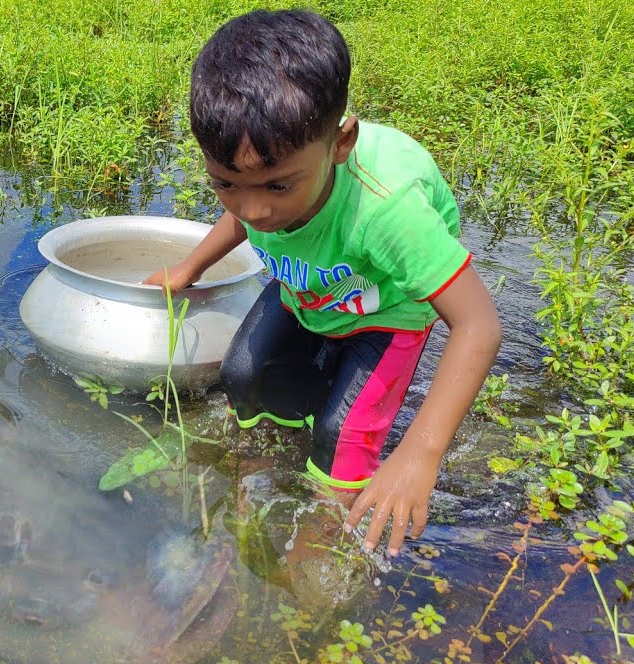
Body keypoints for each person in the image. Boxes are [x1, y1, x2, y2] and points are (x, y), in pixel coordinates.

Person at [143, 9, 501, 557]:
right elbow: (244, 215)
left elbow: (478, 324)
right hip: (311, 289)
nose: (254, 209)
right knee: (244, 374)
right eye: (225, 183)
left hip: (386, 313)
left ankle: (319, 549)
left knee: (342, 436)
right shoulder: (261, 188)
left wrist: (421, 452)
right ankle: (270, 473)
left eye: (278, 186)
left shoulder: (386, 212)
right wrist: (190, 269)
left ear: (341, 143)